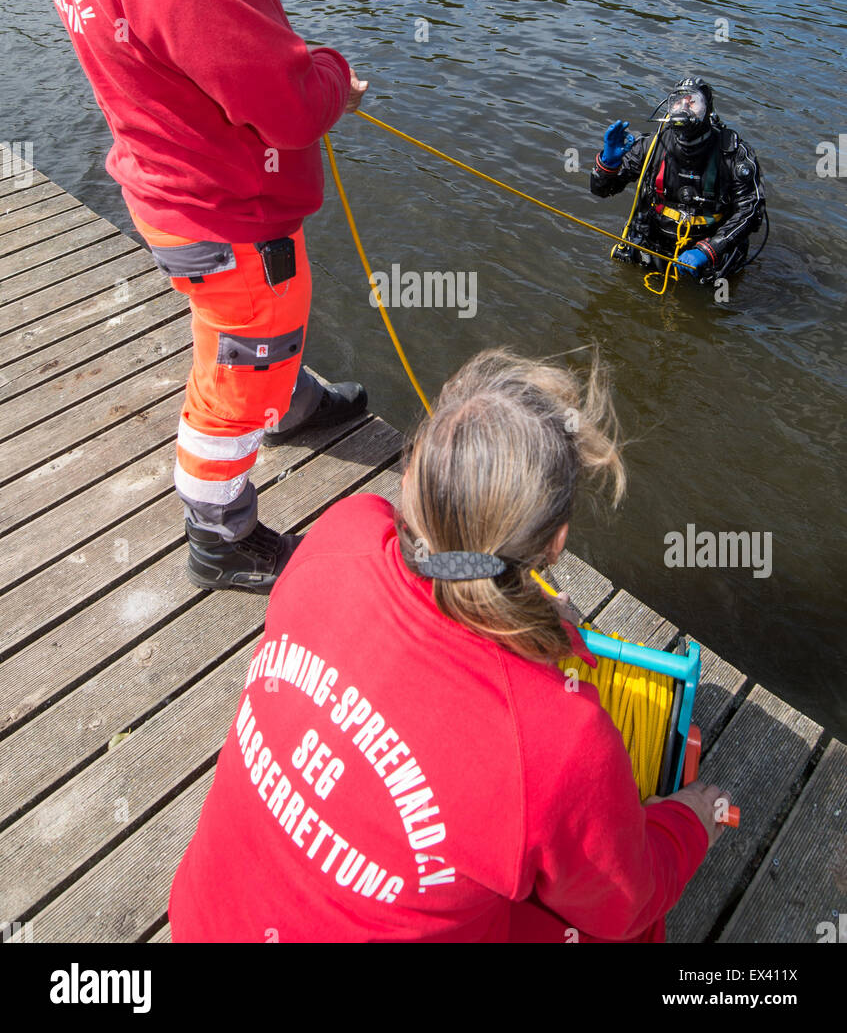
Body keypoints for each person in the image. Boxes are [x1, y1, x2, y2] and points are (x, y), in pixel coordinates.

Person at [168, 348, 729, 943]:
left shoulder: (345, 530)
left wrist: (543, 625)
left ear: (410, 481)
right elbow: (620, 905)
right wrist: (690, 823)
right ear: (556, 543)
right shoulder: (561, 741)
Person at [40, 0, 369, 593]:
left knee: (241, 327)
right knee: (236, 370)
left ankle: (289, 398)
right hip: (228, 213)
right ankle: (220, 534)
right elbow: (288, 105)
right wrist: (334, 78)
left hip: (167, 188)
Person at [590, 77, 766, 282]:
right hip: (653, 245)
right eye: (678, 101)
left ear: (708, 110)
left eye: (692, 102)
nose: (684, 106)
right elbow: (601, 191)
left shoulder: (733, 154)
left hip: (709, 253)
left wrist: (709, 250)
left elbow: (751, 212)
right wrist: (608, 164)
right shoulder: (652, 146)